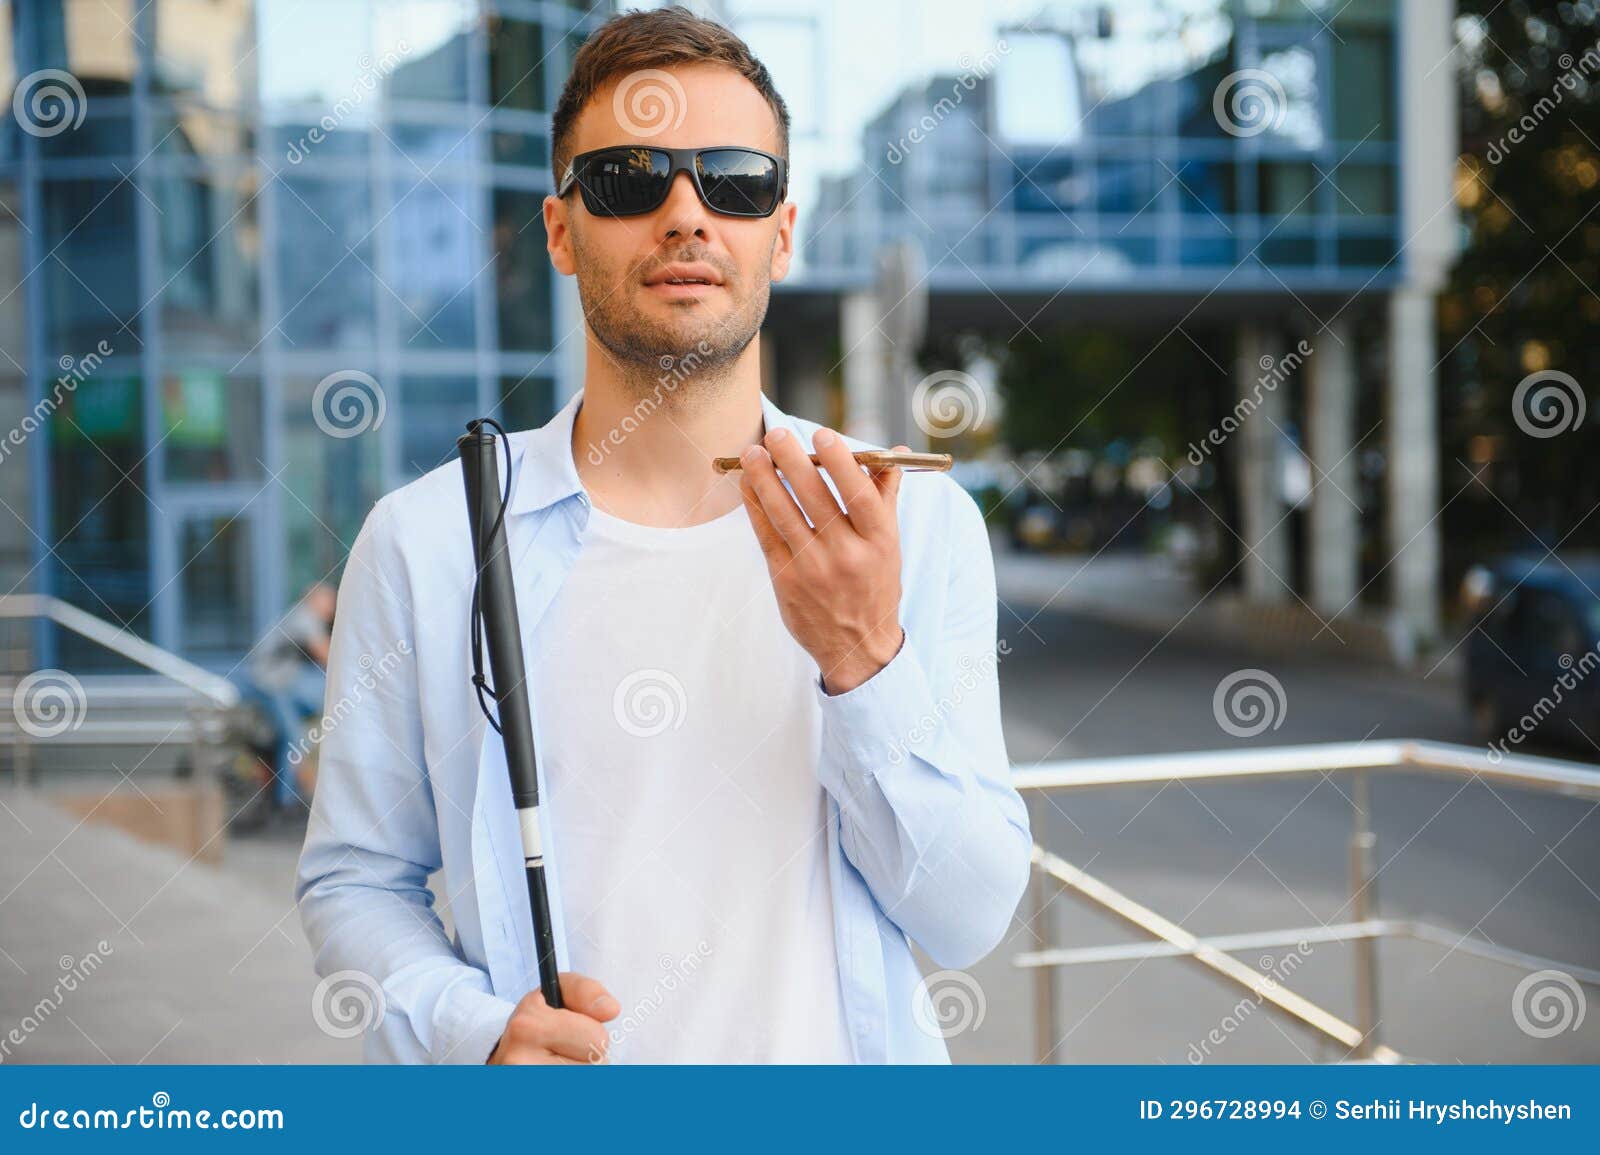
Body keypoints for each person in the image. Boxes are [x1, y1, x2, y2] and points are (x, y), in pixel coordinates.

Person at [295, 6, 1030, 1065]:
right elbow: (355, 878)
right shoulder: (429, 542)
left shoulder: (911, 522)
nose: (685, 214)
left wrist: (863, 657)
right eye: (629, 179)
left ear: (780, 232)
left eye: (732, 180)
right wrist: (474, 1030)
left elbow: (967, 918)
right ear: (560, 230)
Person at [245, 582, 334, 811]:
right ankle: (286, 802)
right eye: (330, 601)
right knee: (294, 737)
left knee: (293, 735)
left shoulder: (297, 616)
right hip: (271, 685)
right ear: (314, 599)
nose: (333, 607)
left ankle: (286, 796)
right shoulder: (305, 617)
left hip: (278, 683)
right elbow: (328, 657)